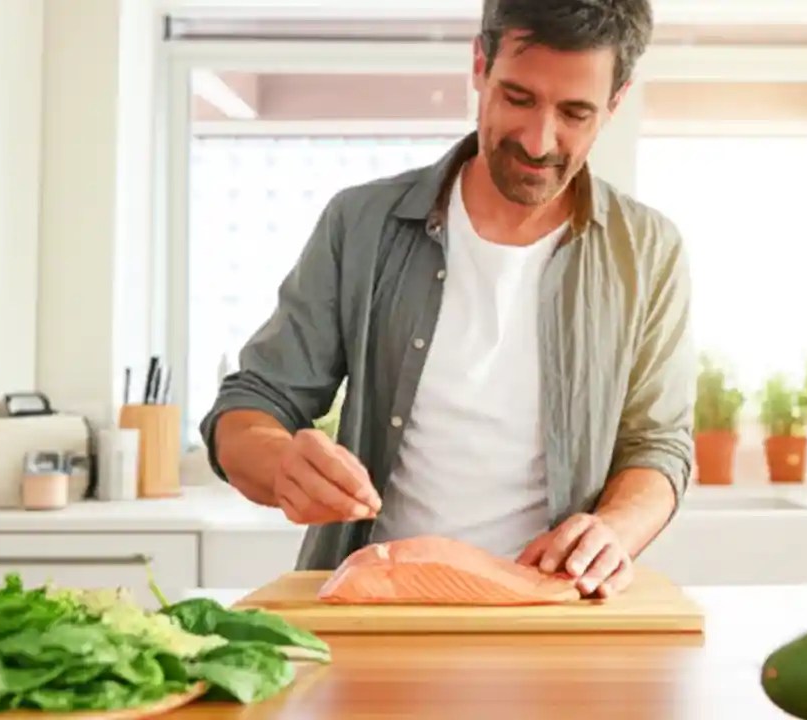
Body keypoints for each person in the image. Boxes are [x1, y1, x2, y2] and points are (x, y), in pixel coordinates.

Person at [200, 0, 696, 599]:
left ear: (614, 103)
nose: (540, 142)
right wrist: (279, 462)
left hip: (552, 613)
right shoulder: (362, 225)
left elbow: (660, 445)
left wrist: (615, 529)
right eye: (518, 98)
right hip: (376, 612)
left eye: (575, 113)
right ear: (480, 64)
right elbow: (251, 404)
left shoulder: (647, 250)